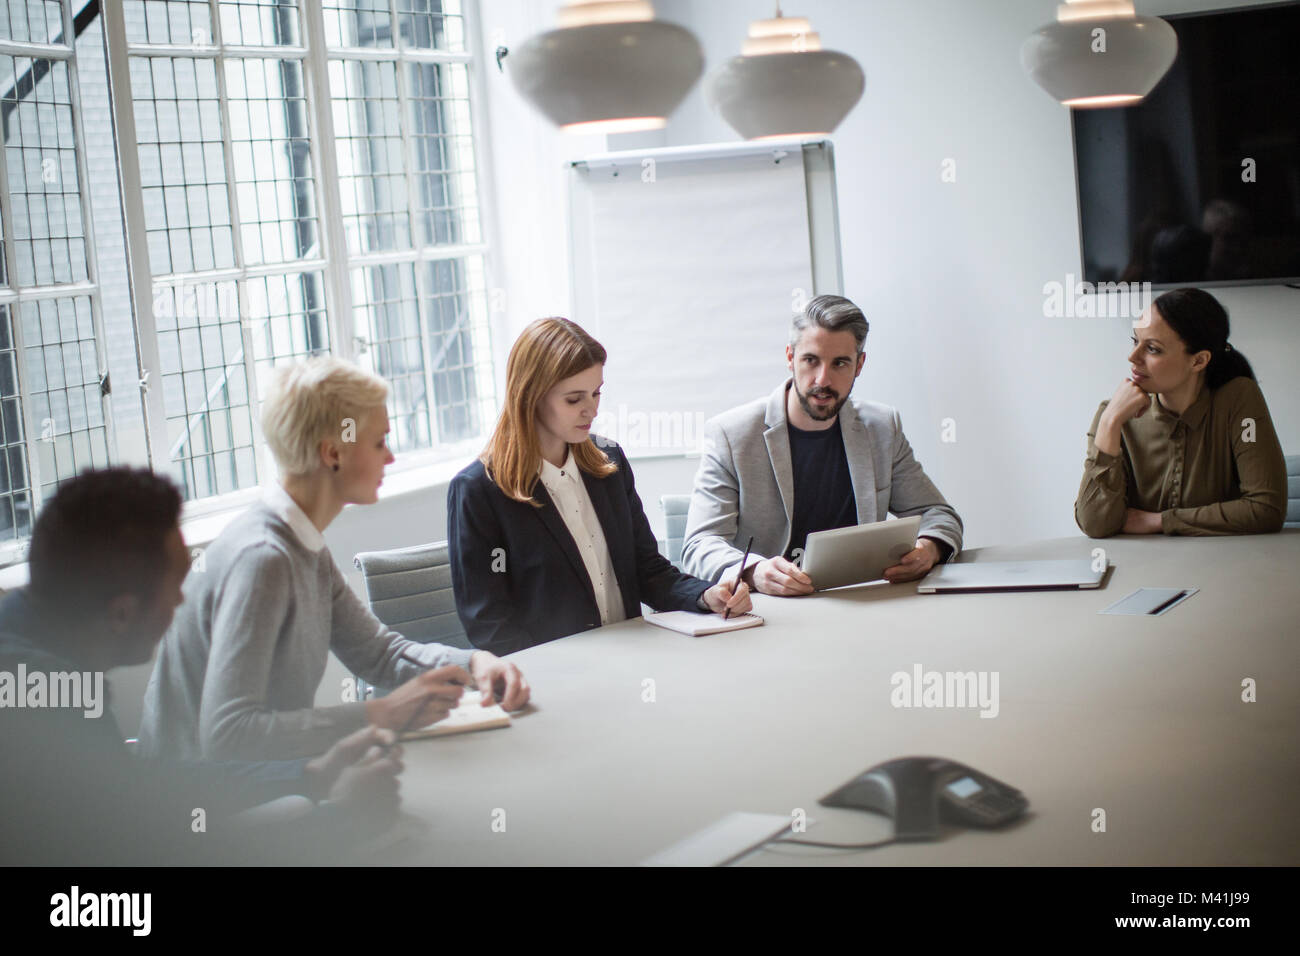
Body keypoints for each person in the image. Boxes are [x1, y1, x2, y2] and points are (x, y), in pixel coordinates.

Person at [0, 467, 403, 864]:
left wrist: (312, 772)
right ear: (122, 614)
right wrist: (345, 819)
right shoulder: (43, 707)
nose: (181, 601)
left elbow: (132, 790)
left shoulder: (34, 644)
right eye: (175, 587)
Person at [138, 358, 529, 762]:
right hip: (202, 808)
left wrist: (474, 662)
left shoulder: (301, 541)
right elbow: (229, 734)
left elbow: (380, 653)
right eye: (380, 442)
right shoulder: (264, 559)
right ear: (332, 453)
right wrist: (379, 713)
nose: (391, 457)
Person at [447, 317, 751, 655]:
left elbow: (649, 571)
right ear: (531, 396)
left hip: (634, 661)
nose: (591, 409)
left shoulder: (609, 462)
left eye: (596, 393)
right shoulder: (478, 491)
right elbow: (490, 627)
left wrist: (705, 595)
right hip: (557, 681)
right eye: (574, 399)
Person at [681, 294, 963, 595]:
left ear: (859, 365)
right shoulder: (731, 434)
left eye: (840, 363)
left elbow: (939, 514)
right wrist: (753, 571)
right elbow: (699, 545)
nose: (822, 379)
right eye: (811, 360)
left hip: (862, 600)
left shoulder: (882, 429)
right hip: (773, 612)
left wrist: (928, 549)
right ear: (790, 357)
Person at [1075, 287, 1286, 537]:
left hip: (1227, 567)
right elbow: (1095, 525)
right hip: (1143, 570)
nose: (1132, 357)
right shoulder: (1114, 415)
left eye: (1152, 348)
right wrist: (1109, 423)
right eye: (1135, 341)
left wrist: (1160, 521)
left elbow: (1265, 509)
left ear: (1198, 361)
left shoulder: (1240, 401)